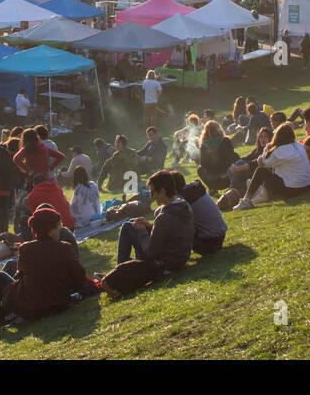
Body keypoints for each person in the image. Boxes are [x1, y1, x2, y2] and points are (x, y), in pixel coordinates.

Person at [0, 207, 88, 331]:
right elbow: (80, 278)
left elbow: (20, 276)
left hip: (33, 308)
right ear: (52, 229)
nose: (61, 228)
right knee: (12, 268)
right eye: (59, 225)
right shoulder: (65, 248)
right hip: (60, 302)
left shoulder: (26, 249)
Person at [100, 170, 195, 299]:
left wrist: (142, 231)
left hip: (164, 264)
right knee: (132, 223)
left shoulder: (164, 217)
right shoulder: (184, 206)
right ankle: (119, 270)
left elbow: (151, 251)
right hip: (179, 258)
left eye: (153, 192)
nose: (151, 197)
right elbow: (171, 234)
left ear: (162, 191)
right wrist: (151, 227)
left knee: (128, 226)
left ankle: (118, 272)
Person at [234, 123, 310, 211]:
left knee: (261, 171)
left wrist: (266, 148)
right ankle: (262, 193)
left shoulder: (280, 151)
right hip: (306, 185)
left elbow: (263, 164)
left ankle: (246, 200)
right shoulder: (298, 145)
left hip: (293, 190)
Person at [176, 176, 226, 255]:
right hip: (220, 235)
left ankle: (174, 257)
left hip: (208, 242)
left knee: (175, 227)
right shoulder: (195, 188)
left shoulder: (182, 199)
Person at [196, 120, 239, 193]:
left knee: (200, 168)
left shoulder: (204, 145)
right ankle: (236, 184)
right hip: (228, 178)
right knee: (236, 156)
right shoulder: (226, 141)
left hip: (213, 181)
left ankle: (212, 189)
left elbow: (203, 163)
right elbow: (231, 158)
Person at [0, 142, 16, 236]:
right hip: (1, 191)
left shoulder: (0, 154)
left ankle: (1, 236)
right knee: (3, 216)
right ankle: (2, 236)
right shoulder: (6, 159)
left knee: (2, 216)